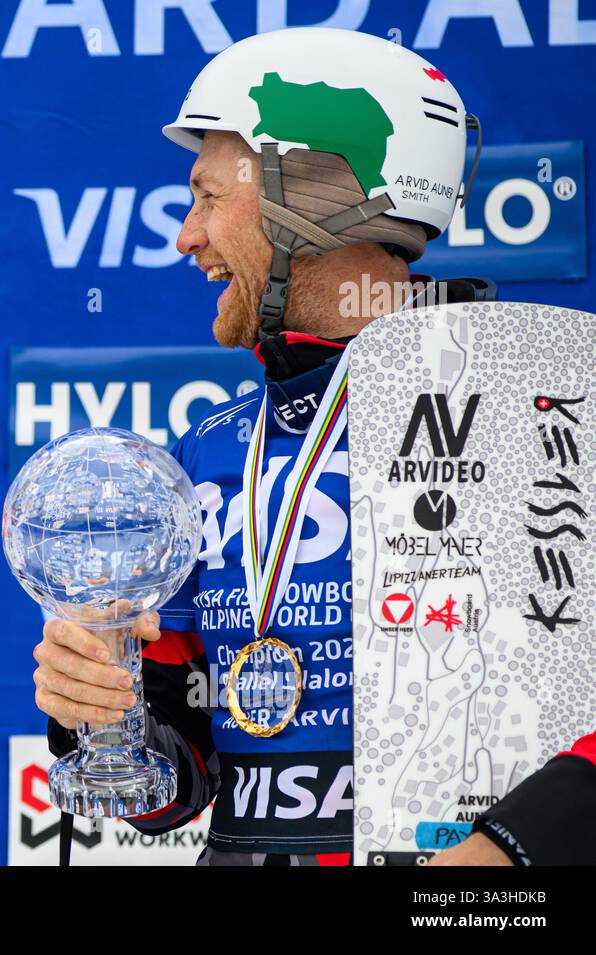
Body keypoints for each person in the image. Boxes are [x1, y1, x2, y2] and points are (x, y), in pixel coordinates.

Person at [31, 27, 595, 865]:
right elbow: (176, 785)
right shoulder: (208, 448)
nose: (187, 236)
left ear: (316, 196)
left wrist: (500, 857)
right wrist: (99, 717)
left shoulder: (546, 404)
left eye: (208, 197)